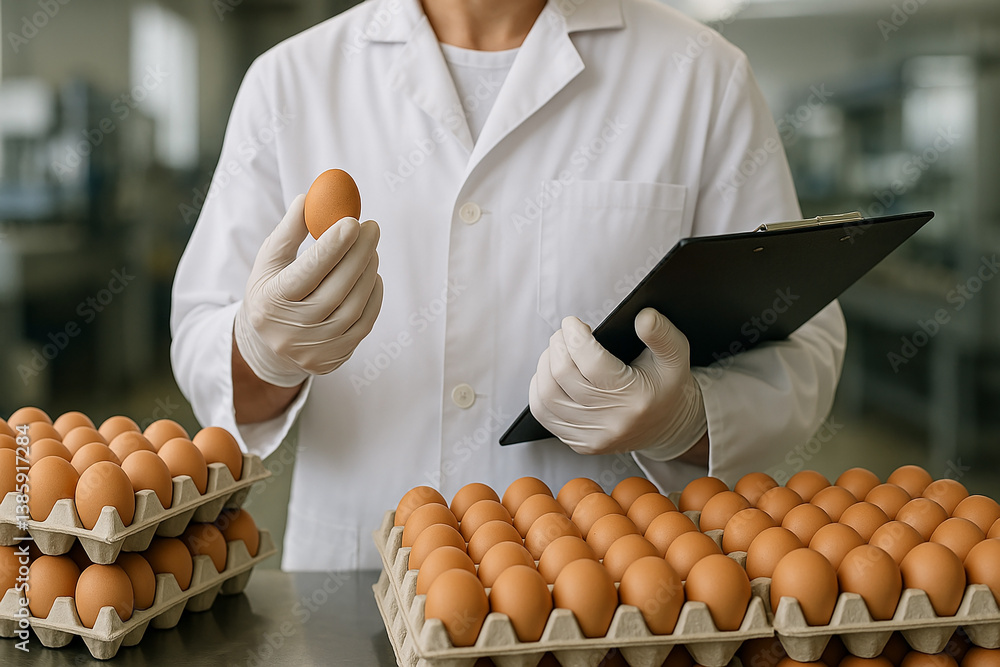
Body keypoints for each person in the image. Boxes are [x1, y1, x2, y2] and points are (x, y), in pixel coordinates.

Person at [171, 0, 846, 570]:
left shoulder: (701, 78)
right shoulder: (291, 83)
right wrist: (264, 351)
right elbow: (206, 344)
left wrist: (687, 418)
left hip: (615, 593)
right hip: (358, 588)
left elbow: (801, 347)